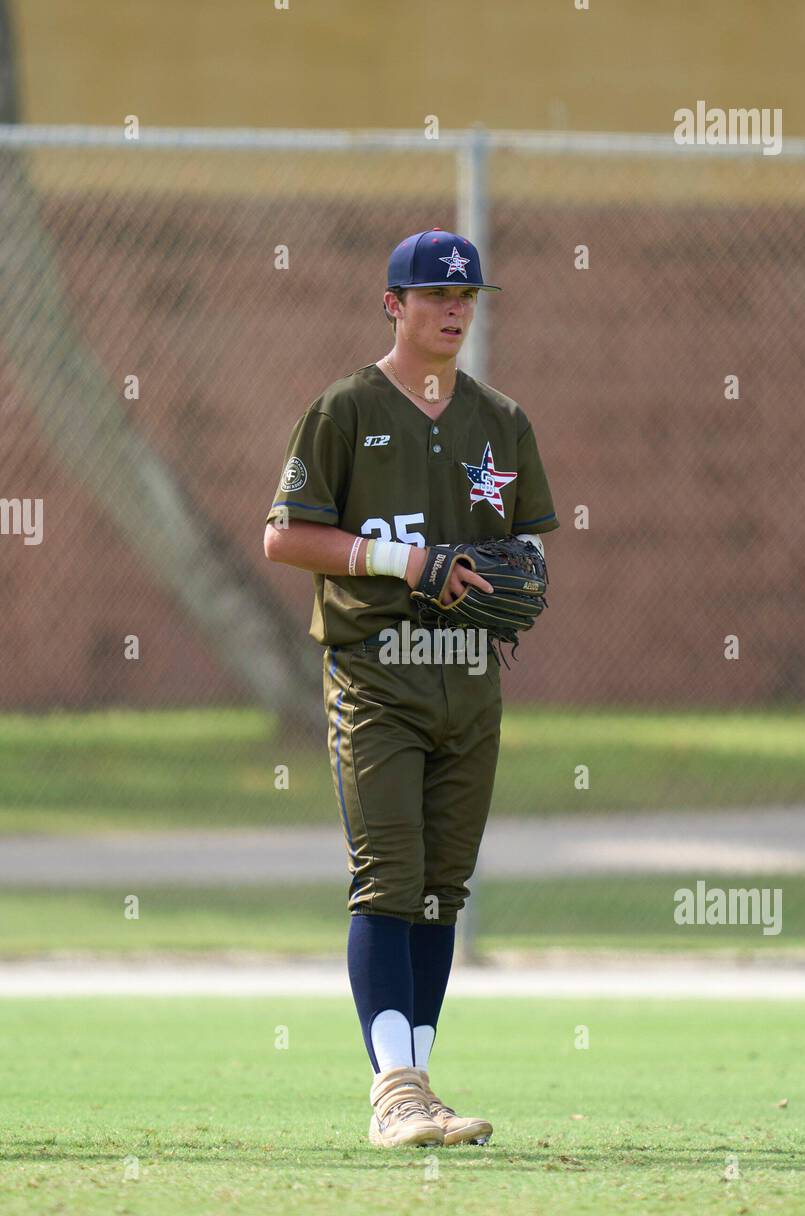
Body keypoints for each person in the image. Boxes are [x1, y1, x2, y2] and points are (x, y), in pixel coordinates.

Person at [263, 228, 559, 1147]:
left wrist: (520, 575)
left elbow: (533, 546)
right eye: (435, 295)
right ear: (393, 303)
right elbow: (284, 535)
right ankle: (392, 1088)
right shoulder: (345, 410)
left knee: (441, 888)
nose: (455, 309)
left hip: (469, 682)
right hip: (376, 677)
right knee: (387, 878)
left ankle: (417, 1086)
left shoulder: (500, 420)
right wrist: (405, 560)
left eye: (466, 296)